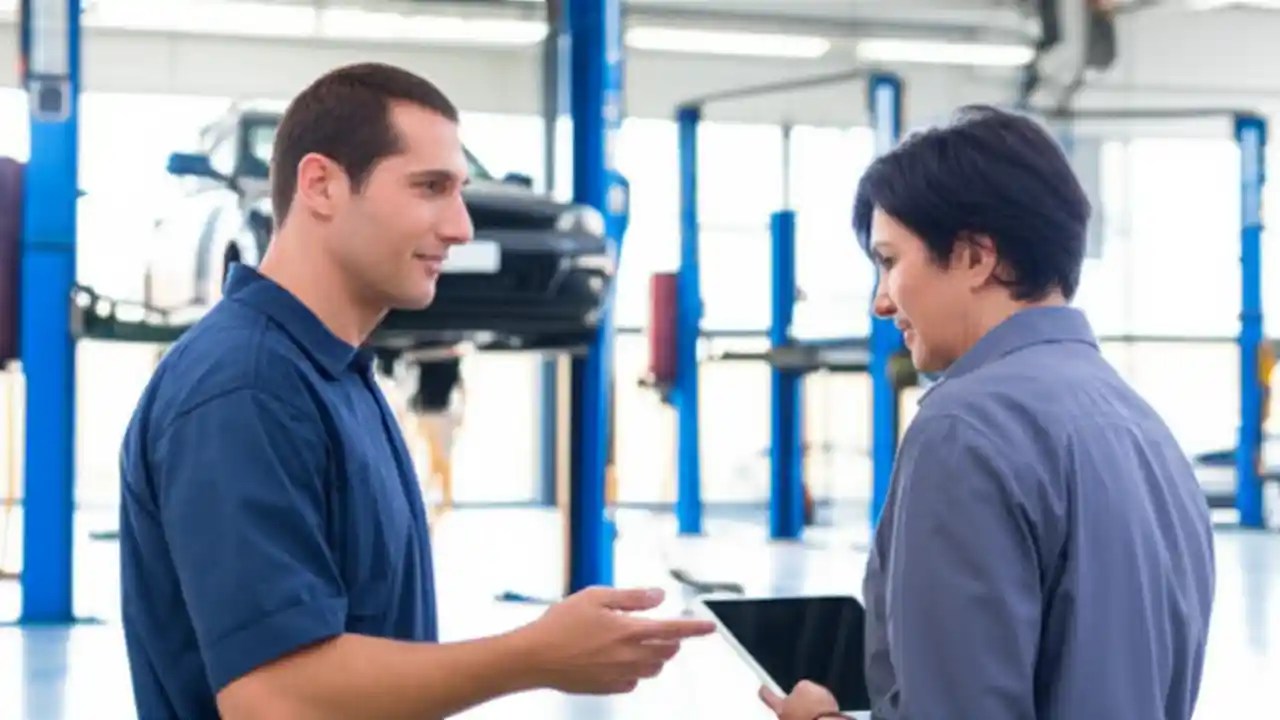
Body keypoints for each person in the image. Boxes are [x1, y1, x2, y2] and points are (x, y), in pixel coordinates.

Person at [118, 62, 714, 720]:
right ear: (321, 185)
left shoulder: (332, 375)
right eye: (430, 188)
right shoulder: (246, 388)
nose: (461, 227)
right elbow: (276, 697)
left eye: (460, 191)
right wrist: (533, 655)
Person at [760, 105, 1215, 719]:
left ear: (977, 257)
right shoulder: (1142, 427)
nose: (881, 302)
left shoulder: (964, 431)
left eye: (890, 261)